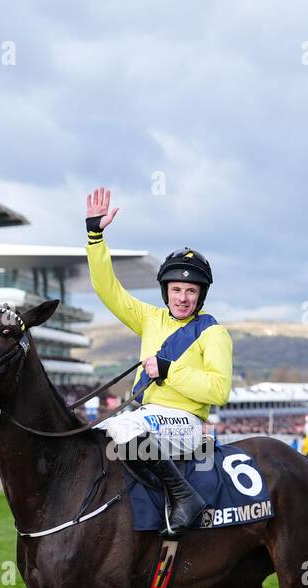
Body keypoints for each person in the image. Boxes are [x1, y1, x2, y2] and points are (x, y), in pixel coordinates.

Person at [84, 186, 233, 532]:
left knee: (121, 427)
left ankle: (185, 497)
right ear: (166, 291)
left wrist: (169, 370)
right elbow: (109, 290)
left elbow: (219, 390)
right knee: (97, 437)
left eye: (191, 291)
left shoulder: (213, 333)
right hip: (148, 419)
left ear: (200, 295)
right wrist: (95, 236)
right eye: (177, 290)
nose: (182, 298)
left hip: (186, 423)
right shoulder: (150, 319)